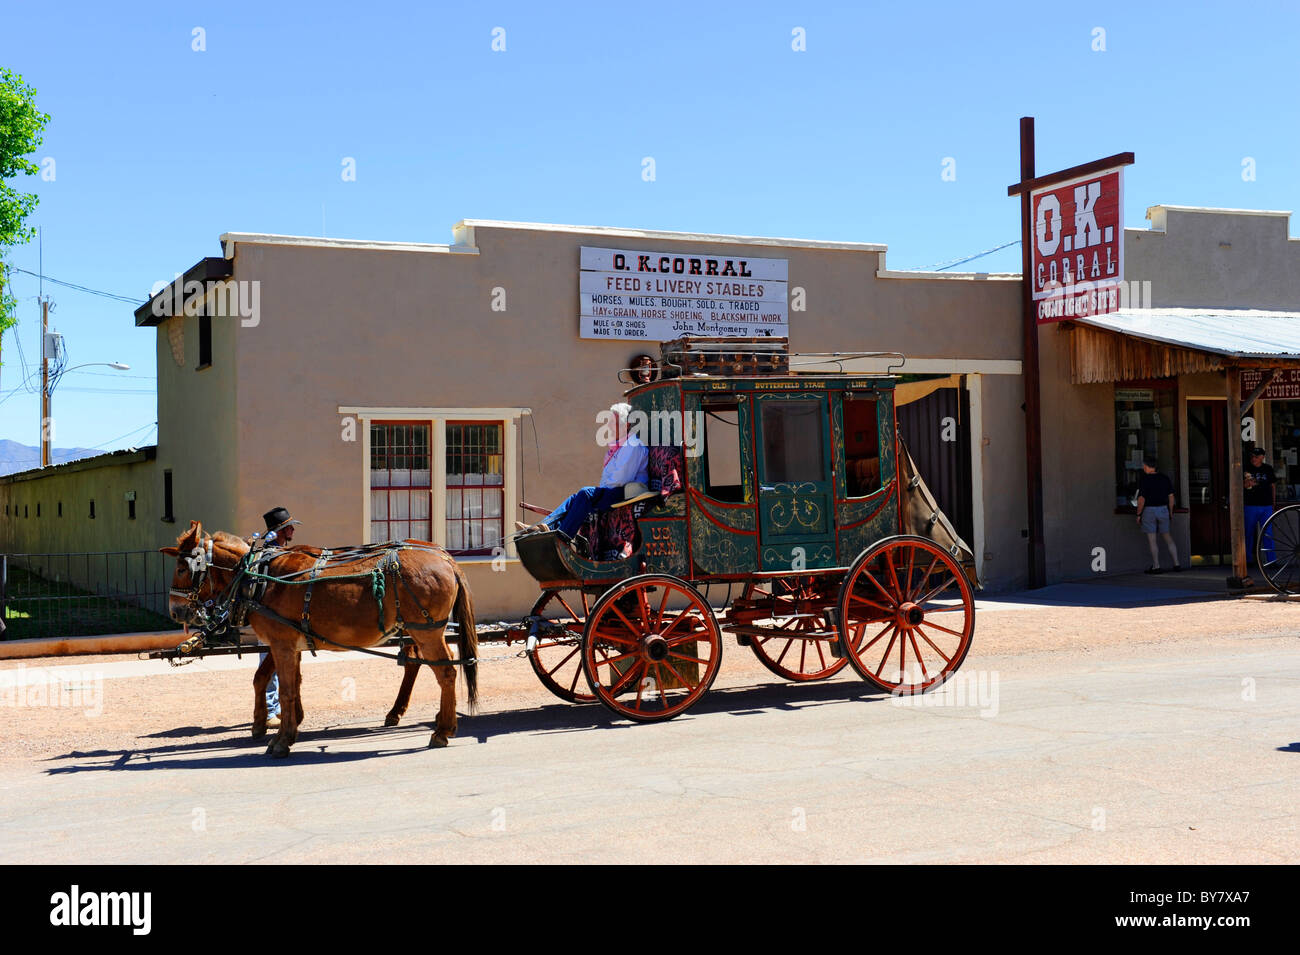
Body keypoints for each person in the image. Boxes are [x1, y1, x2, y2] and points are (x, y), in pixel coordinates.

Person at [516, 403, 649, 539]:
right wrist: (599, 493)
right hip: (615, 491)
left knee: (586, 494)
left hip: (625, 493)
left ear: (626, 425)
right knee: (575, 498)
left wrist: (598, 494)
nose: (608, 426)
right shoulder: (621, 447)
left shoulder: (633, 446)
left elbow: (620, 480)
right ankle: (543, 527)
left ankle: (563, 535)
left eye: (612, 422)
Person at [253, 507, 301, 728]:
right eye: (289, 527)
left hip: (283, 618)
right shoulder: (271, 556)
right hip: (271, 618)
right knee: (270, 665)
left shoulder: (280, 551)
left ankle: (278, 708)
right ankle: (271, 710)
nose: (293, 530)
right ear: (281, 530)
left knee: (279, 665)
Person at [1135, 458, 1180, 573]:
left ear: (1147, 466)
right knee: (1168, 537)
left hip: (1149, 511)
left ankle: (1156, 566)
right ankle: (1177, 564)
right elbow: (1171, 497)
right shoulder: (1164, 478)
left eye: (1144, 466)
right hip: (1163, 509)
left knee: (1152, 540)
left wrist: (1139, 513)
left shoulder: (1145, 480)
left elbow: (1141, 499)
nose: (1143, 468)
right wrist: (1170, 511)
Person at [1244, 447, 1276, 565]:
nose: (1254, 459)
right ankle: (1247, 559)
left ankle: (1271, 560)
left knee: (1268, 533)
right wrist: (1246, 483)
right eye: (1252, 456)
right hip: (1250, 505)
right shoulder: (1246, 468)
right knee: (1248, 533)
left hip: (1266, 505)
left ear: (1262, 457)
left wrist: (1273, 503)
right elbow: (1241, 484)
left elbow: (1272, 486)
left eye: (1256, 456)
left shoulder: (1268, 469)